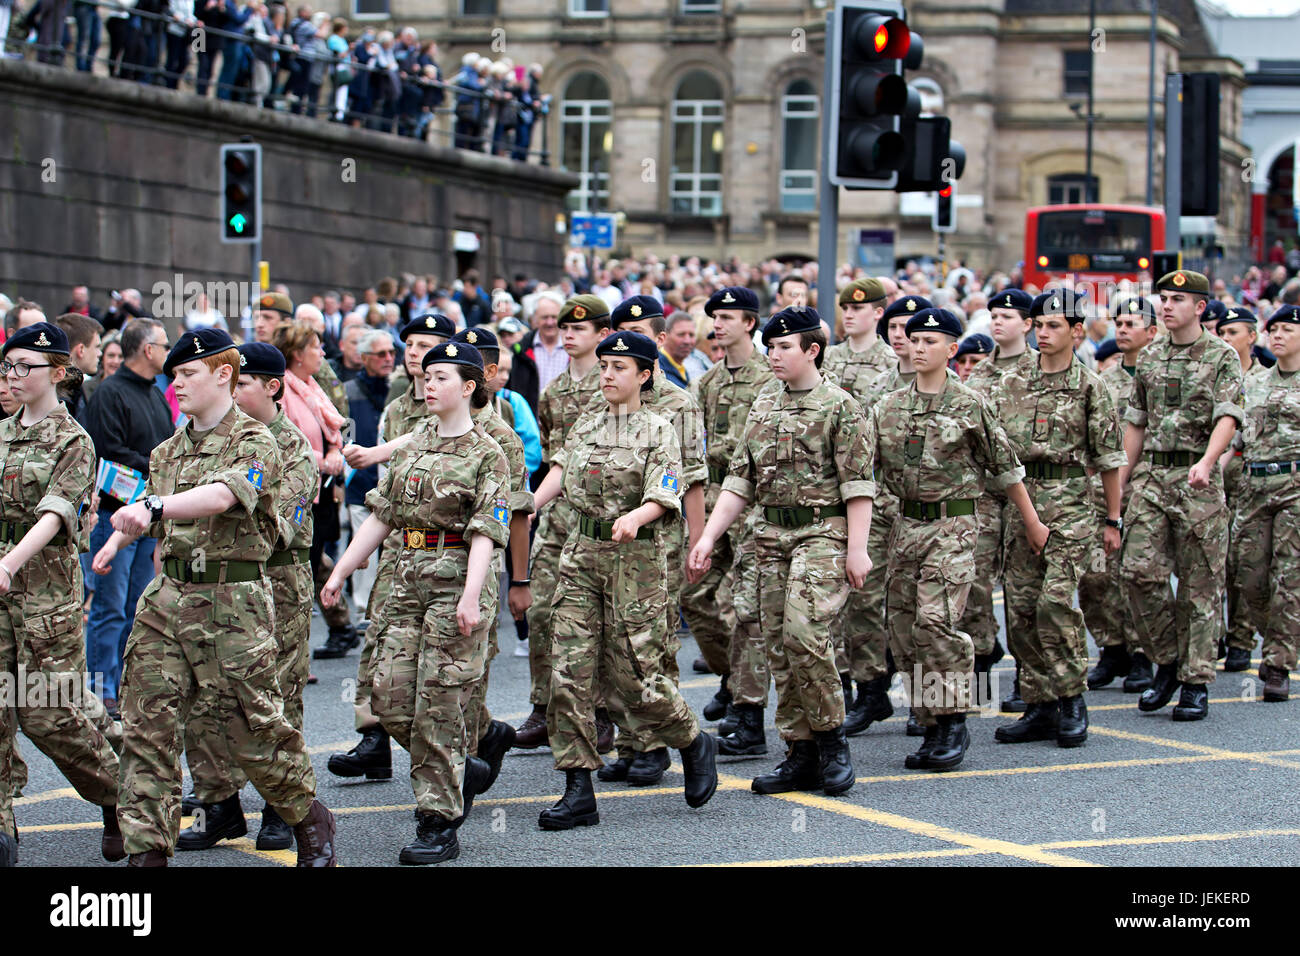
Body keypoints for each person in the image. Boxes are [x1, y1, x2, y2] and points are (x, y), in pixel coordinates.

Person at [92, 327, 336, 867]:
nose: (175, 385)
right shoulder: (166, 451)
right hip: (169, 598)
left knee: (253, 727)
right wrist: (117, 537)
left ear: (223, 374)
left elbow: (225, 494)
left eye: (187, 374)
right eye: (173, 375)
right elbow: (154, 518)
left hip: (235, 602)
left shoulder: (260, 441)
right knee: (146, 726)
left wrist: (154, 508)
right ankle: (147, 854)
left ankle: (306, 816)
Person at [322, 340, 508, 864]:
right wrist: (340, 570)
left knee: (440, 706)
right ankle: (459, 769)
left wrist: (471, 596)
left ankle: (438, 822)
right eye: (426, 376)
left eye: (442, 377)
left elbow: (486, 532)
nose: (429, 384)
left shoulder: (487, 453)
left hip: (456, 582)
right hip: (406, 579)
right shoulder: (416, 442)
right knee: (388, 696)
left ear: (469, 387)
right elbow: (382, 514)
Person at [532, 330, 718, 828]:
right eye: (605, 365)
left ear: (645, 374)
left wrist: (637, 516)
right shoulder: (586, 423)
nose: (608, 375)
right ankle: (577, 788)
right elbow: (559, 469)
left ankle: (693, 743)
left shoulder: (659, 429)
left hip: (635, 563)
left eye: (619, 367)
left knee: (634, 677)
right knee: (568, 673)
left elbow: (667, 491)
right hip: (580, 555)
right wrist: (530, 503)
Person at [688, 306, 874, 795]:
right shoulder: (765, 404)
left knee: (804, 633)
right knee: (778, 645)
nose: (773, 355)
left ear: (812, 350)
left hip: (822, 534)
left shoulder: (841, 406)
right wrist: (707, 536)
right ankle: (801, 751)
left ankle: (833, 740)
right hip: (770, 537)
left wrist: (858, 550)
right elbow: (740, 478)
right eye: (770, 347)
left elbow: (858, 486)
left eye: (784, 347)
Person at [865, 307, 1048, 771]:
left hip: (955, 524)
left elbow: (1007, 469)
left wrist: (1031, 522)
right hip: (905, 526)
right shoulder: (886, 407)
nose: (919, 347)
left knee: (935, 622)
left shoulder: (970, 404)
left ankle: (952, 723)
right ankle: (928, 719)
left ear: (951, 349)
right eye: (914, 339)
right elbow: (862, 473)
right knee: (903, 630)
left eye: (931, 341)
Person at [178, 342, 318, 852]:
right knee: (206, 696)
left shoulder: (292, 447)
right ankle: (219, 803)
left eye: (242, 384)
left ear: (272, 387)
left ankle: (284, 806)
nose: (231, 393)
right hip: (212, 583)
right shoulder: (205, 439)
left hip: (275, 581)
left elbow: (287, 524)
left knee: (273, 697)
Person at [0, 323, 123, 868]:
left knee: (48, 711)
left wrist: (8, 562)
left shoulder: (73, 439)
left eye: (25, 366)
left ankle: (123, 794)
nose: (13, 376)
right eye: (8, 366)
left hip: (42, 598)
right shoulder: (1, 434)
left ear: (57, 372)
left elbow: (56, 512)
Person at [992, 293, 1127, 748]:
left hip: (1072, 504)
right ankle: (1040, 702)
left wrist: (1113, 519)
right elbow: (996, 452)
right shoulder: (1009, 382)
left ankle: (1071, 698)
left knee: (1055, 605)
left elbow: (1109, 458)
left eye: (1053, 325)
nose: (1043, 333)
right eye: (1038, 325)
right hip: (1021, 503)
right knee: (1023, 610)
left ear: (1077, 331)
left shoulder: (1092, 387)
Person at [327, 312, 452, 779]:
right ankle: (373, 737)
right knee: (378, 639)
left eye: (427, 344)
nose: (415, 352)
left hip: (448, 550)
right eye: (411, 344)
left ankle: (471, 747)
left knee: (444, 661)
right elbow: (386, 488)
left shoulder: (465, 402)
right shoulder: (398, 406)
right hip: (400, 541)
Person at [587, 296, 706, 785]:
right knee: (613, 651)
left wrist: (700, 542)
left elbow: (692, 479)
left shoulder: (678, 402)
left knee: (649, 646)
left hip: (660, 539)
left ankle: (656, 745)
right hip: (605, 543)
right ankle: (634, 742)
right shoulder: (604, 401)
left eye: (635, 332)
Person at [1121, 270, 1245, 722]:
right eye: (1164, 298)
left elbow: (1228, 417)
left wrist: (1209, 462)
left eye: (1177, 299)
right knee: (1137, 573)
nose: (1167, 306)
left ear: (1199, 307)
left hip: (1198, 477)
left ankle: (1195, 681)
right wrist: (1121, 483)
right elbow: (1136, 422)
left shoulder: (1221, 356)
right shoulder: (1150, 357)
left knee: (1199, 586)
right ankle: (1168, 660)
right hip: (1153, 474)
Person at [679, 286, 774, 755]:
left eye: (728, 316)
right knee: (694, 595)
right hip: (714, 498)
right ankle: (731, 677)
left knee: (749, 608)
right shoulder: (708, 381)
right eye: (714, 316)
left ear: (749, 323)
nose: (718, 324)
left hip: (754, 503)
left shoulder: (769, 378)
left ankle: (749, 716)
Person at [514, 295, 611, 751]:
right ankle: (542, 704)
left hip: (603, 515)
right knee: (541, 610)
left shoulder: (613, 382)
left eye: (580, 329)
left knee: (600, 618)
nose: (569, 334)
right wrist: (533, 502)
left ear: (601, 335)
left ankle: (604, 710)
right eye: (565, 329)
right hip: (558, 515)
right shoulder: (554, 393)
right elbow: (555, 457)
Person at [81, 319, 174, 716]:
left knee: (139, 606)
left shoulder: (154, 394)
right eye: (164, 345)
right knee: (110, 608)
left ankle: (129, 685)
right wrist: (157, 470)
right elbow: (108, 452)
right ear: (147, 350)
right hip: (115, 516)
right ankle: (102, 690)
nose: (169, 352)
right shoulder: (110, 393)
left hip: (149, 515)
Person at [821, 278, 898, 736]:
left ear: (878, 313)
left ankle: (873, 685)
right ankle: (851, 684)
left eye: (861, 308)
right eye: (845, 308)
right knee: (838, 601)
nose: (850, 315)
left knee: (869, 596)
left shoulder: (892, 361)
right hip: (828, 492)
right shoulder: (827, 358)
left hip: (875, 491)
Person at [1081, 296, 1158, 693]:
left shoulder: (1161, 376)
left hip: (1147, 490)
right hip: (1103, 491)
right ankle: (1112, 647)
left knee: (1137, 575)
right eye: (1119, 323)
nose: (1122, 330)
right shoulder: (1104, 381)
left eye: (1132, 324)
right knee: (1096, 574)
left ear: (1152, 331)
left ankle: (1144, 653)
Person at [964, 288, 1036, 709]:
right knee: (973, 581)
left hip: (1030, 492)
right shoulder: (979, 376)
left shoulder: (1043, 370)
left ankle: (1029, 680)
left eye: (1007, 315)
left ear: (1027, 324)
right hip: (987, 495)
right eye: (994, 314)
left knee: (1024, 590)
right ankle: (982, 653)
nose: (998, 321)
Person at [273, 322, 356, 657]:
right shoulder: (282, 391)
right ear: (296, 354)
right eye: (315, 347)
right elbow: (288, 445)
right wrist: (326, 460)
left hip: (321, 494)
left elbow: (336, 430)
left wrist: (336, 454)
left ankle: (338, 629)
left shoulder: (313, 386)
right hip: (299, 493)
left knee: (313, 563)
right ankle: (292, 652)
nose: (322, 353)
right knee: (299, 571)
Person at [1233, 304, 1300, 702]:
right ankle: (1279, 634)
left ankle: (1278, 663)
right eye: (1273, 329)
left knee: (1290, 578)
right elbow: (1235, 437)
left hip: (1295, 484)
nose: (1277, 335)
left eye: (1287, 329)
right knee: (1250, 575)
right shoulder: (1253, 383)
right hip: (1254, 485)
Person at [1215, 306, 1270, 672]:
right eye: (1221, 333)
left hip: (1251, 478)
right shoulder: (1214, 377)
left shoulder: (1267, 379)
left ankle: (1241, 638)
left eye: (1233, 332)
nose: (1226, 340)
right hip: (1216, 474)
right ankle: (1217, 634)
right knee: (1214, 558)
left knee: (1245, 561)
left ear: (1252, 337)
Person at [54, 312, 103, 420]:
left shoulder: (73, 389)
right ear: (81, 350)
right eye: (97, 347)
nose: (100, 353)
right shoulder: (60, 397)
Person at [81, 330, 123, 405]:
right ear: (102, 358)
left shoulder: (132, 389)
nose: (116, 361)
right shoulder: (86, 387)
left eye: (121, 356)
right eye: (111, 355)